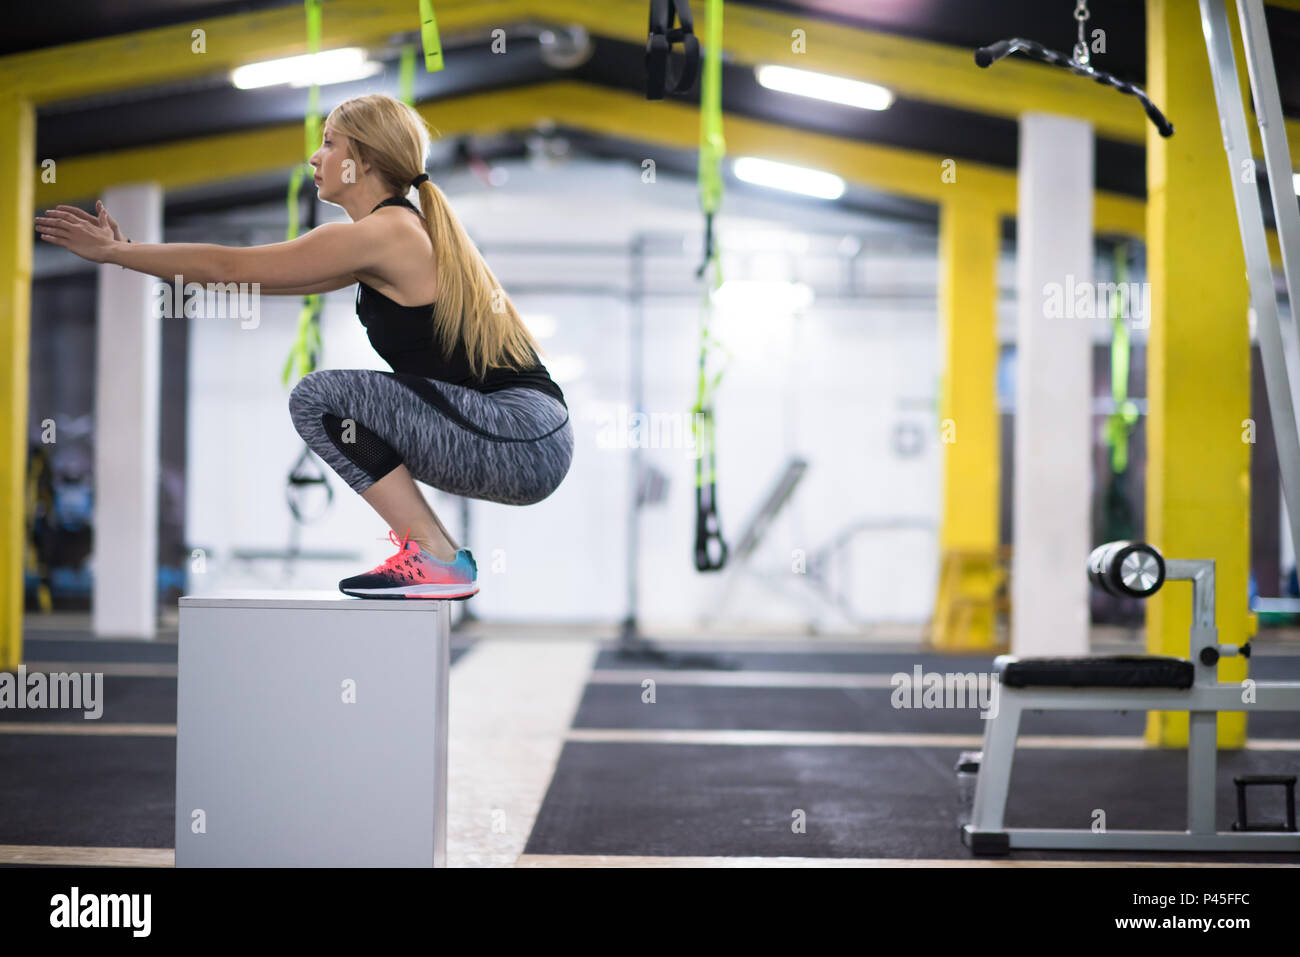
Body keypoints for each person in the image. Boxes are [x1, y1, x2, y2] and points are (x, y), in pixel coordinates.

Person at [35, 93, 573, 600]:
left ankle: (433, 554)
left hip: (521, 435)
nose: (315, 157)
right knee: (327, 401)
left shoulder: (386, 232)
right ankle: (438, 556)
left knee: (320, 399)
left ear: (361, 159)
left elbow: (232, 265)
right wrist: (130, 251)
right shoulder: (386, 236)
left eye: (330, 143)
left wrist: (114, 254)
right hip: (520, 437)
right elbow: (247, 280)